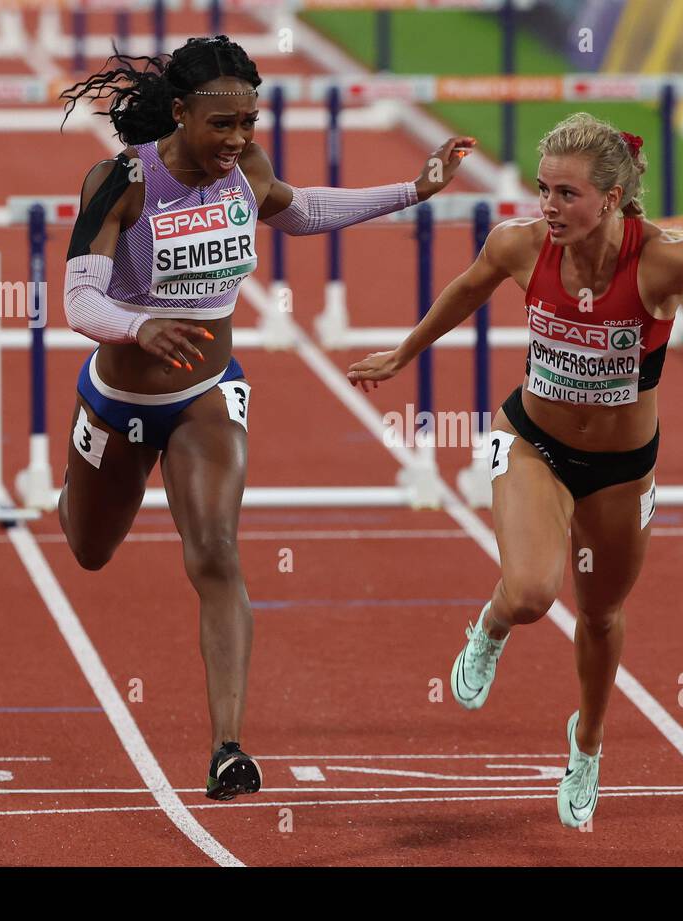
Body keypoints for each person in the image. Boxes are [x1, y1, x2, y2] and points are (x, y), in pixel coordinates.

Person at [347, 112, 683, 827]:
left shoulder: (662, 258)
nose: (550, 206)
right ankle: (492, 626)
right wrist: (404, 352)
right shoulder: (518, 244)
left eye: (567, 194)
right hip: (536, 441)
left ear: (612, 196)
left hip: (624, 469)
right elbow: (468, 290)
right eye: (544, 189)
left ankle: (587, 742)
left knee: (600, 615)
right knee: (534, 591)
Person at [56, 36, 474, 800]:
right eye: (223, 124)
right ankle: (79, 472)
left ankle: (228, 750)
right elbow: (78, 299)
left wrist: (415, 189)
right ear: (179, 114)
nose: (240, 138)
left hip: (207, 393)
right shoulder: (119, 182)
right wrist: (136, 324)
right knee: (89, 549)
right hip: (118, 399)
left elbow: (302, 209)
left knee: (215, 550)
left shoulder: (243, 171)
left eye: (250, 120)